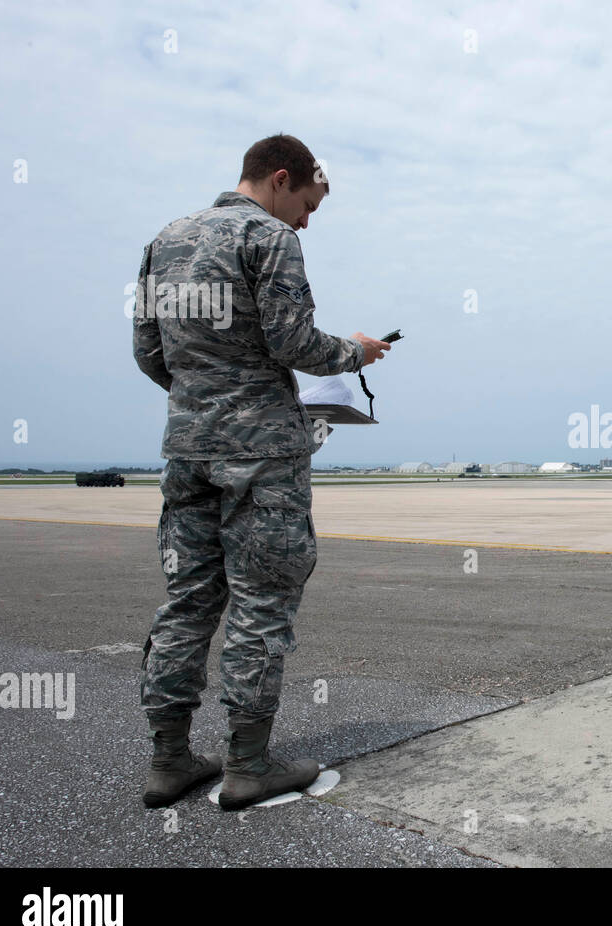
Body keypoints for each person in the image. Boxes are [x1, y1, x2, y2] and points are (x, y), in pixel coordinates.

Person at [133, 133, 390, 810]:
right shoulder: (269, 239)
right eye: (306, 203)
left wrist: (202, 393)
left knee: (188, 601)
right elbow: (294, 342)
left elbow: (148, 351)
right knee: (260, 606)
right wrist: (356, 351)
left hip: (187, 451)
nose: (305, 220)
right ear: (281, 179)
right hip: (261, 458)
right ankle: (248, 763)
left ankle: (168, 760)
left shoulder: (165, 240)